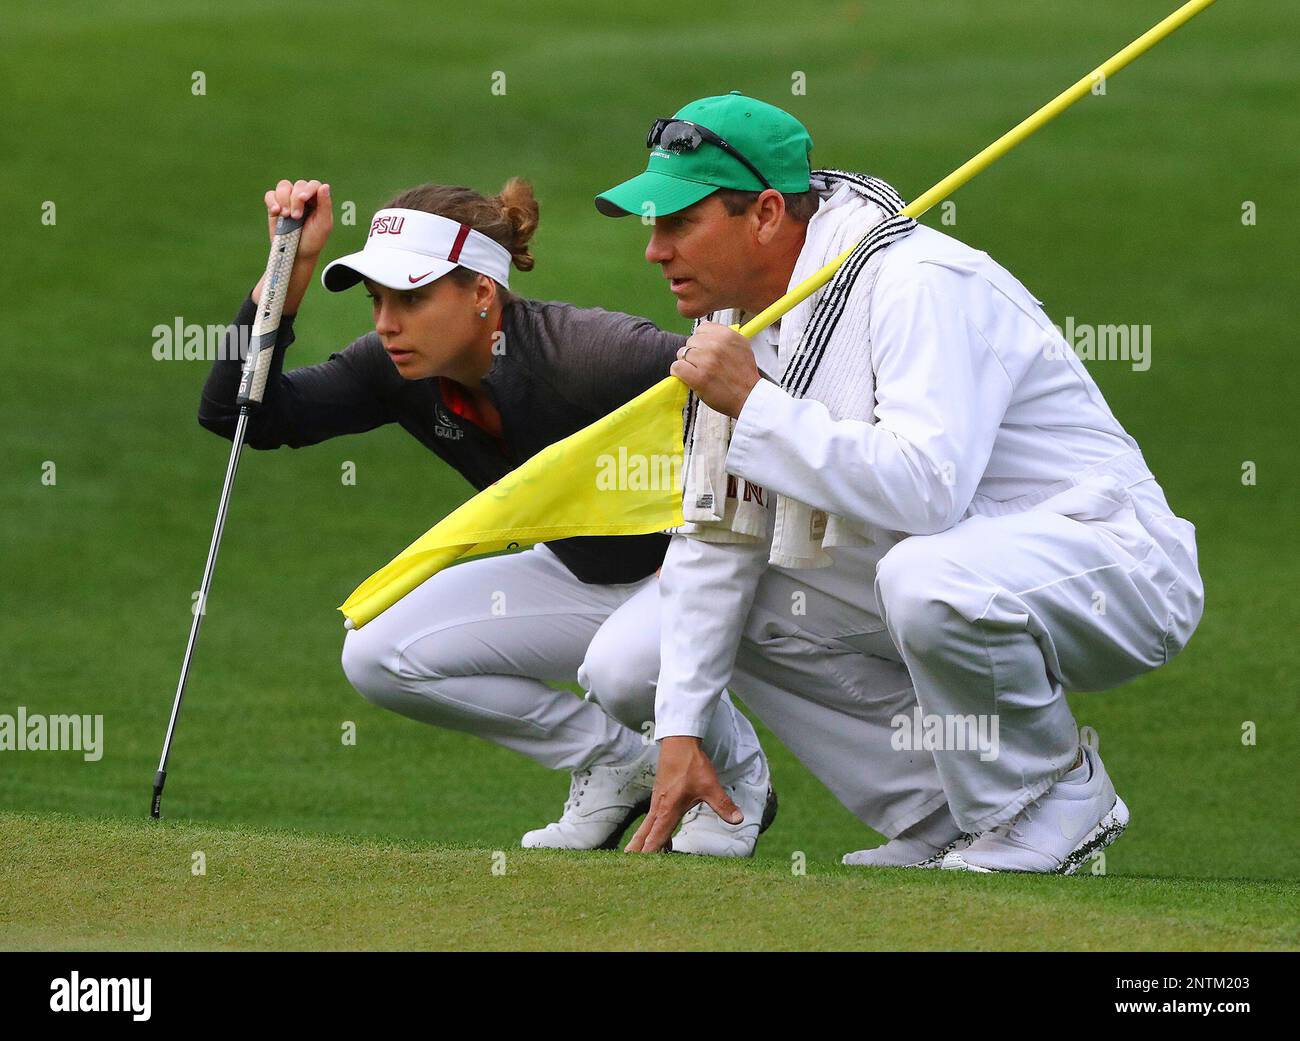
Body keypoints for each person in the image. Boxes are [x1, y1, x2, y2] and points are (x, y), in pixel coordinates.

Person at [583, 92, 1204, 873]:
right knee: (645, 650)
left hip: (1112, 560)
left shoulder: (920, 279)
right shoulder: (735, 332)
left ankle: (1051, 795)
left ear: (767, 214)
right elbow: (720, 542)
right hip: (959, 562)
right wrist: (678, 733)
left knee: (925, 576)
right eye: (652, 227)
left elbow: (925, 489)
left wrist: (754, 402)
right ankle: (944, 813)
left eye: (679, 224)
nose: (655, 251)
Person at [198, 175, 774, 855]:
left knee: (623, 666)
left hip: (698, 574)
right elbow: (242, 417)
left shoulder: (589, 352)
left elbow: (755, 391)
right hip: (584, 573)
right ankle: (622, 760)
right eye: (377, 298)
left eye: (410, 297)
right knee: (378, 651)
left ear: (480, 293)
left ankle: (741, 784)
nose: (386, 322)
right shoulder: (394, 368)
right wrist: (282, 278)